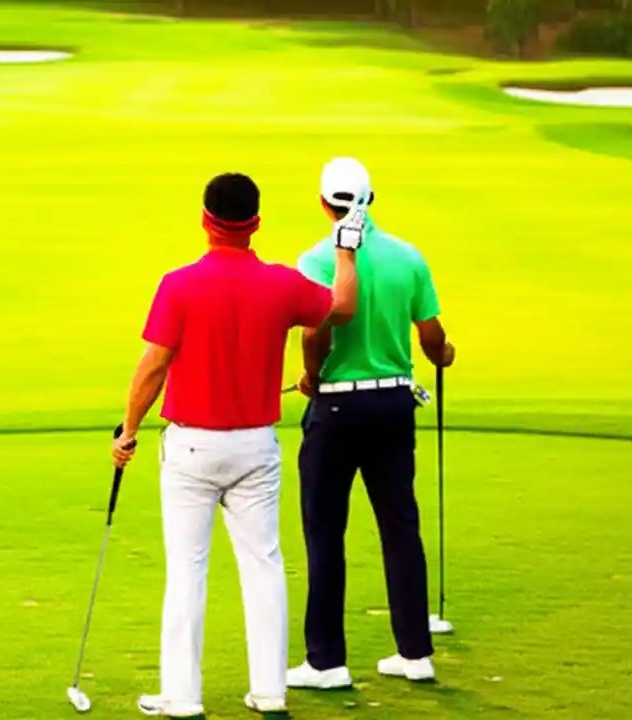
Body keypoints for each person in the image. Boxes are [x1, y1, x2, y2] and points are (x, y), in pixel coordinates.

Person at [111, 172, 364, 717]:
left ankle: (181, 696)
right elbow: (342, 307)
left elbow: (153, 365)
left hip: (191, 452)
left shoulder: (177, 284)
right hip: (255, 450)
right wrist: (346, 247)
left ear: (206, 220)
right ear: (255, 223)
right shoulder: (280, 284)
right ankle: (270, 691)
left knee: (187, 570)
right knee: (264, 565)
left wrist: (128, 431)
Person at [287, 157, 457, 690]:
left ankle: (326, 662)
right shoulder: (408, 257)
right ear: (372, 198)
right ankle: (414, 653)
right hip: (393, 404)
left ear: (322, 203)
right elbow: (431, 336)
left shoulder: (316, 259)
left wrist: (311, 375)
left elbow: (314, 333)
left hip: (337, 408)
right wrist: (444, 353)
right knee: (400, 527)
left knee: (325, 533)